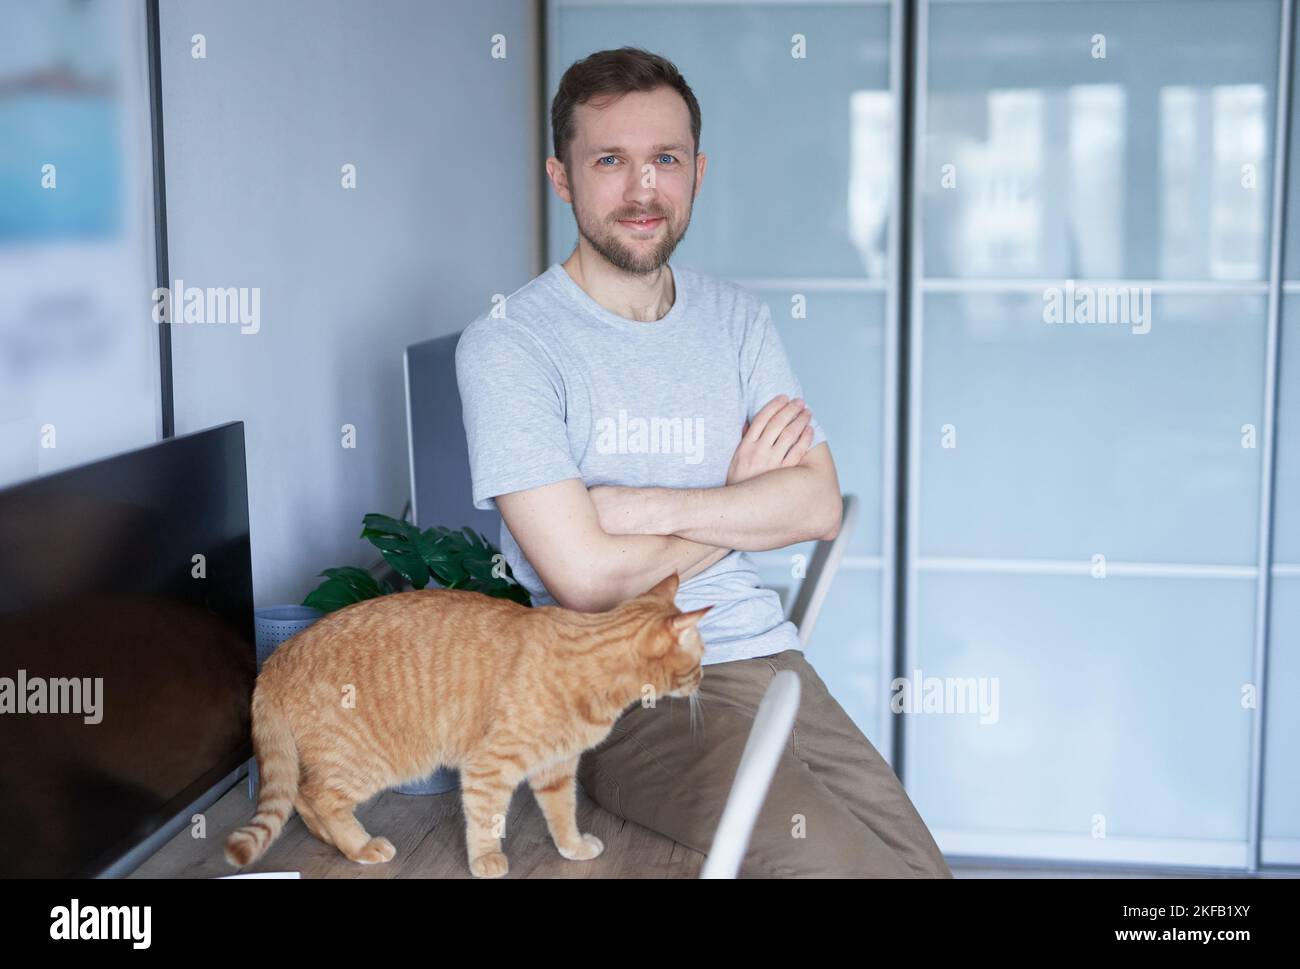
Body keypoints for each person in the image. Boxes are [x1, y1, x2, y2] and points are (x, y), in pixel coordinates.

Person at [455, 46, 950, 878]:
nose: (642, 189)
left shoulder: (737, 320)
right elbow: (588, 582)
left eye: (665, 160)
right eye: (610, 160)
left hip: (767, 656)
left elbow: (817, 504)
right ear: (561, 177)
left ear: (697, 171)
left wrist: (640, 508)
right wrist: (740, 499)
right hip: (631, 697)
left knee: (920, 868)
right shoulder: (509, 346)